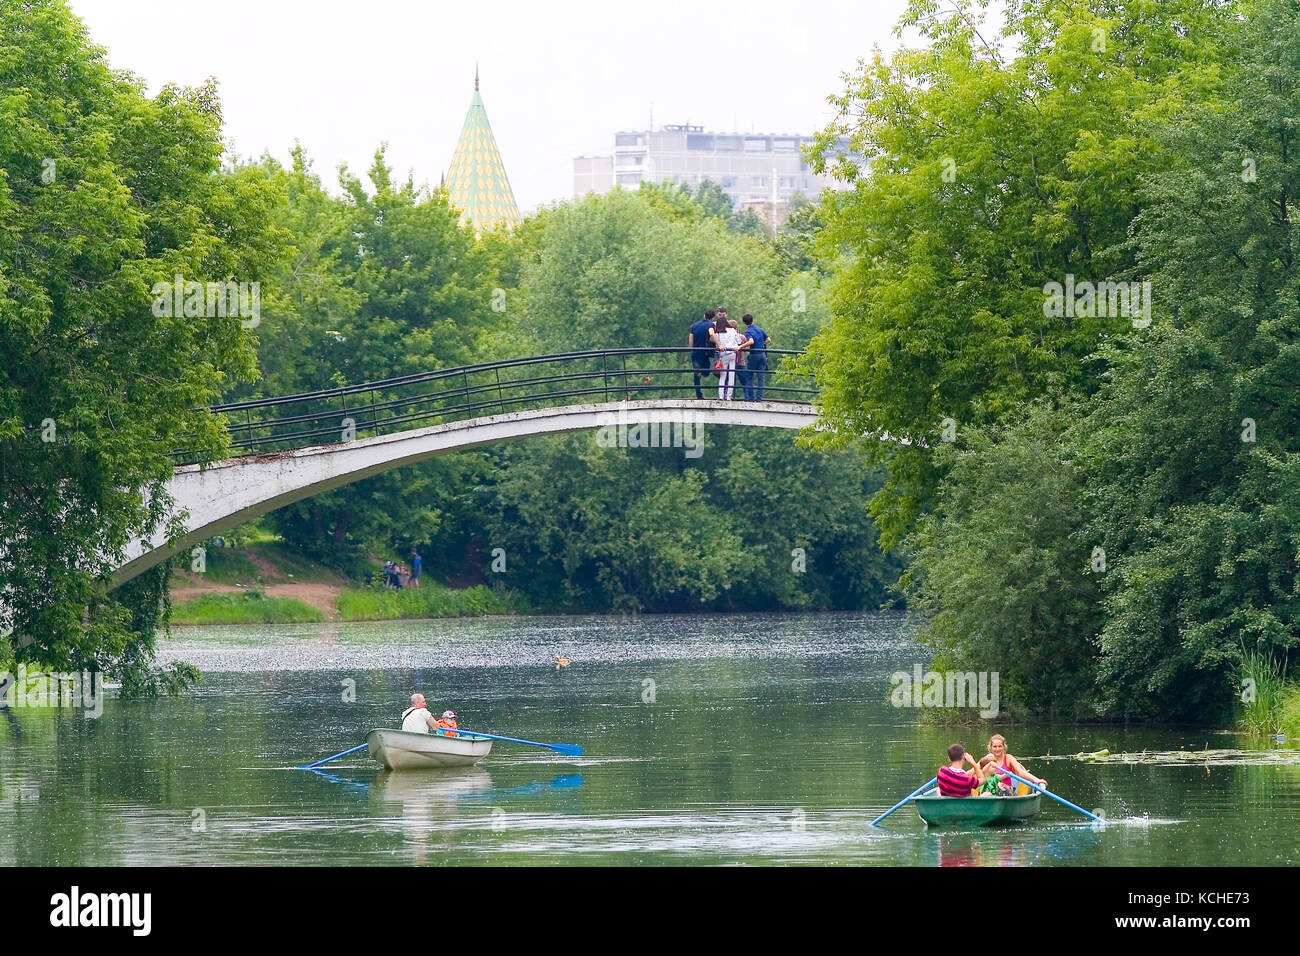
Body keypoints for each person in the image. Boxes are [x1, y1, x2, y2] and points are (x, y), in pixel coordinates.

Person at [979, 734, 1046, 795]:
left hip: (1006, 793)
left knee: (1003, 788)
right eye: (994, 746)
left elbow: (1020, 772)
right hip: (989, 791)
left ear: (1003, 747)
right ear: (991, 748)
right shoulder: (987, 760)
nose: (997, 749)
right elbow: (974, 771)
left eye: (1000, 746)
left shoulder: (1008, 758)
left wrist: (1036, 780)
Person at [709, 313, 744, 400]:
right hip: (732, 353)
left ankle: (721, 396)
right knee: (731, 375)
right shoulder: (732, 330)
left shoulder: (719, 333)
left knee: (723, 376)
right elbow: (739, 341)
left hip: (723, 353)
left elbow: (713, 340)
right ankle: (729, 396)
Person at [737, 313, 770, 401]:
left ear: (744, 322)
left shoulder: (748, 331)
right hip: (762, 355)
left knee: (749, 376)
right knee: (761, 377)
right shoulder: (759, 329)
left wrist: (740, 347)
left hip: (754, 355)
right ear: (752, 320)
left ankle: (751, 398)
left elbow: (751, 341)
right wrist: (761, 344)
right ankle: (759, 398)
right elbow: (768, 339)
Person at [688, 309, 716, 399]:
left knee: (696, 376)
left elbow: (691, 338)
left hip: (695, 352)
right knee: (707, 371)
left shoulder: (695, 325)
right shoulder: (711, 325)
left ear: (704, 315)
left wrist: (691, 349)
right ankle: (702, 372)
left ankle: (698, 395)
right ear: (712, 318)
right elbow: (712, 335)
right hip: (705, 352)